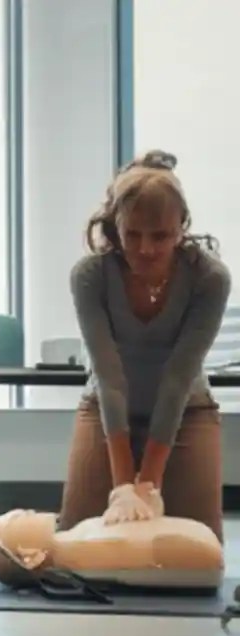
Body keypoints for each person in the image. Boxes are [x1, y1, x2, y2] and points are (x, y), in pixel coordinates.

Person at [61, 150, 229, 541]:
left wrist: (148, 485)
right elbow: (108, 375)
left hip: (186, 409)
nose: (147, 249)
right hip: (105, 405)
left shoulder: (210, 279)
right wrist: (123, 489)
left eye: (161, 236)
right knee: (75, 540)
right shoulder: (90, 276)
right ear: (114, 225)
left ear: (182, 227)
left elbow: (177, 378)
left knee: (197, 550)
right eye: (132, 234)